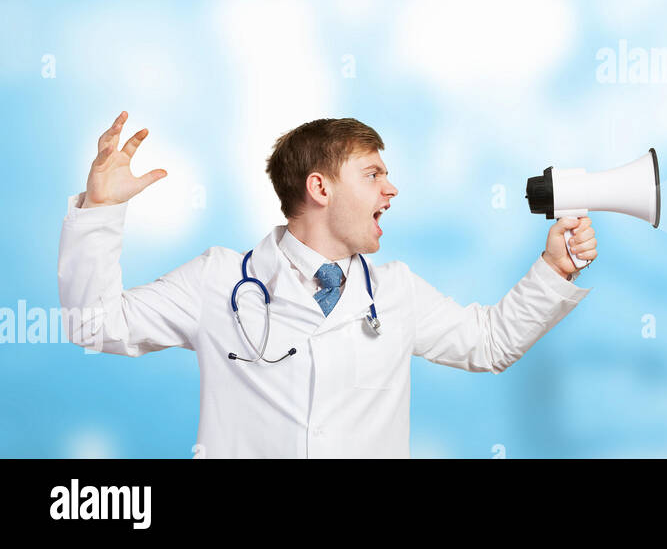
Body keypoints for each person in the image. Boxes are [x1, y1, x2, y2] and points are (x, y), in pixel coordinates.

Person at [57, 112, 596, 458]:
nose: (393, 189)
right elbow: (94, 325)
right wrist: (101, 210)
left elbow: (491, 343)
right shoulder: (219, 280)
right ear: (320, 187)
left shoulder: (396, 293)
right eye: (373, 175)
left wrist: (555, 269)